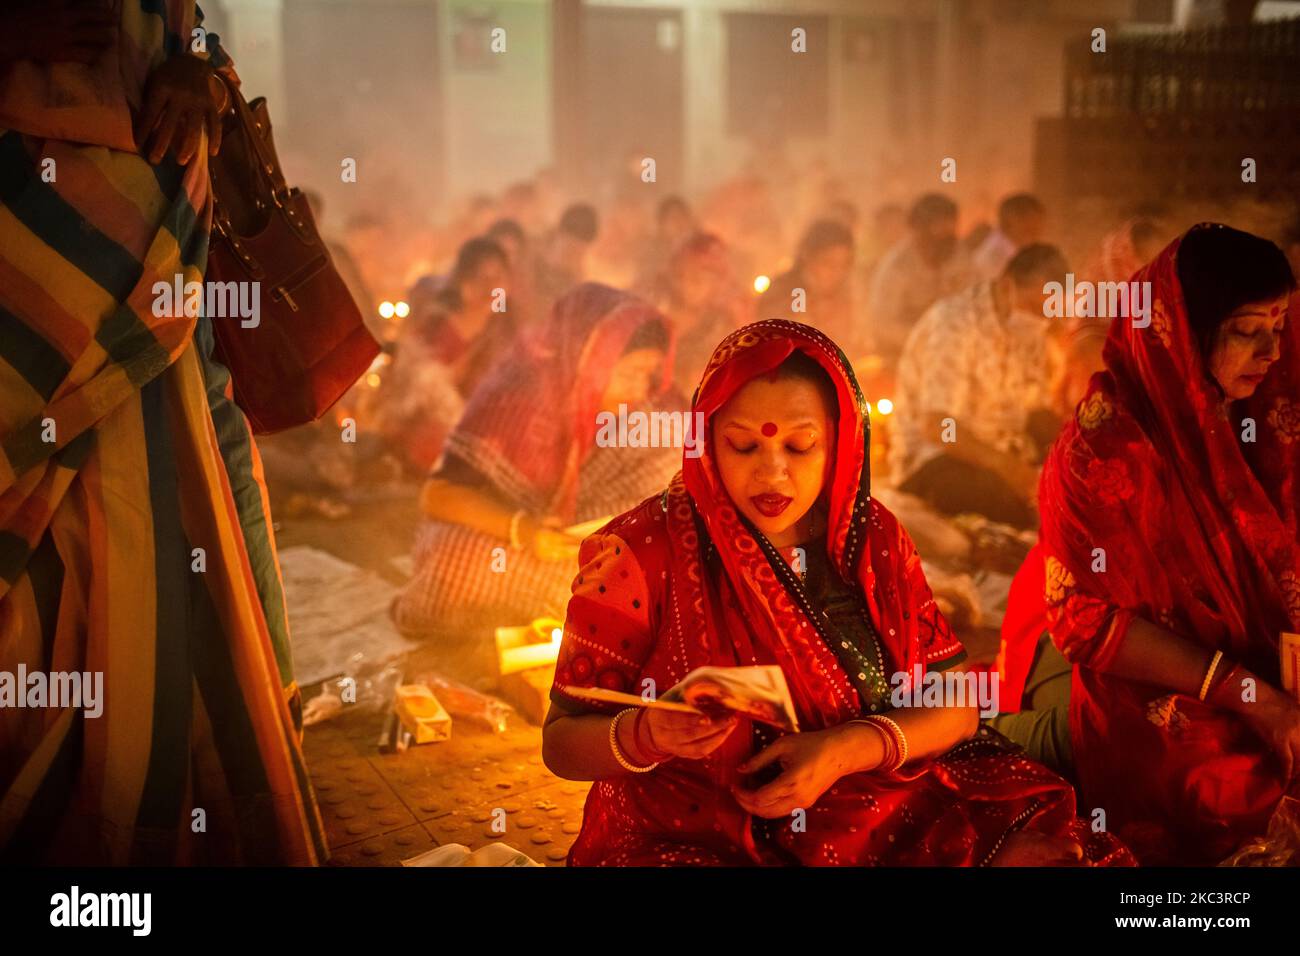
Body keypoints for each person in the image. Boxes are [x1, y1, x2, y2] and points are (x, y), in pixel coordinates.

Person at [541, 320, 1134, 867]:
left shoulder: (872, 539)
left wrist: (843, 750)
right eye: (743, 446)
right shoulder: (640, 551)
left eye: (800, 447)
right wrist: (643, 735)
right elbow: (561, 743)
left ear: (841, 444)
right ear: (705, 439)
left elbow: (954, 705)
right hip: (695, 834)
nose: (772, 474)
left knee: (1048, 850)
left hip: (872, 802)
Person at [0, 1, 325, 863]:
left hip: (165, 250)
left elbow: (201, 35)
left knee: (202, 492)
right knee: (49, 537)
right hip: (26, 254)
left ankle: (236, 743)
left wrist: (200, 76)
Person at [1036, 223, 1300, 864]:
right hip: (1163, 697)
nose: (1271, 350)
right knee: (1230, 798)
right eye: (1245, 329)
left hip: (1275, 670)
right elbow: (1086, 623)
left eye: (1282, 324)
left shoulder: (1272, 418)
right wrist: (1256, 699)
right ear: (1179, 329)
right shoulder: (1102, 451)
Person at [391, 284, 682, 637]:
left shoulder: (642, 411)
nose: (640, 391)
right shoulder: (517, 395)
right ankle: (494, 627)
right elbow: (437, 495)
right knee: (457, 557)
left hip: (582, 560)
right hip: (509, 546)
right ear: (587, 362)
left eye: (648, 374)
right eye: (629, 374)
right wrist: (525, 532)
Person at [890, 244, 1070, 529]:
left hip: (1004, 453)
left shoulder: (1035, 330)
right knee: (1000, 504)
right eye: (1036, 307)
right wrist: (1005, 467)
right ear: (1008, 285)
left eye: (1049, 311)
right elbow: (938, 426)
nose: (1041, 319)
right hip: (939, 460)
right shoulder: (954, 323)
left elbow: (1035, 407)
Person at [380, 237, 514, 474]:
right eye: (483, 279)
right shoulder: (435, 330)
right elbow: (417, 396)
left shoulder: (506, 330)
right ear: (463, 281)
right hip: (435, 446)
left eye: (498, 280)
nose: (492, 289)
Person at [867, 193, 976, 367]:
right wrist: (925, 340)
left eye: (949, 230)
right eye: (937, 230)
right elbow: (882, 324)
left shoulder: (960, 257)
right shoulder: (896, 267)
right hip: (901, 358)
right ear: (917, 230)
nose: (944, 238)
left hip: (955, 355)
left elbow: (974, 303)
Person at [640, 232, 747, 386]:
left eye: (702, 276)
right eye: (683, 274)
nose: (690, 282)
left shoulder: (724, 322)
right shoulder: (654, 310)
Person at [757, 219, 859, 353]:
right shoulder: (791, 290)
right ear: (807, 256)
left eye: (844, 265)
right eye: (828, 263)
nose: (837, 272)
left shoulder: (840, 293)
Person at [534, 202, 599, 311]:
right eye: (571, 249)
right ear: (559, 234)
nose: (573, 258)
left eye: (579, 253)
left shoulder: (575, 277)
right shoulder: (530, 254)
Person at [972, 193, 1047, 280]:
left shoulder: (1017, 252)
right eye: (1030, 230)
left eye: (1039, 229)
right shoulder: (992, 258)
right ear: (1007, 224)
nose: (1037, 237)